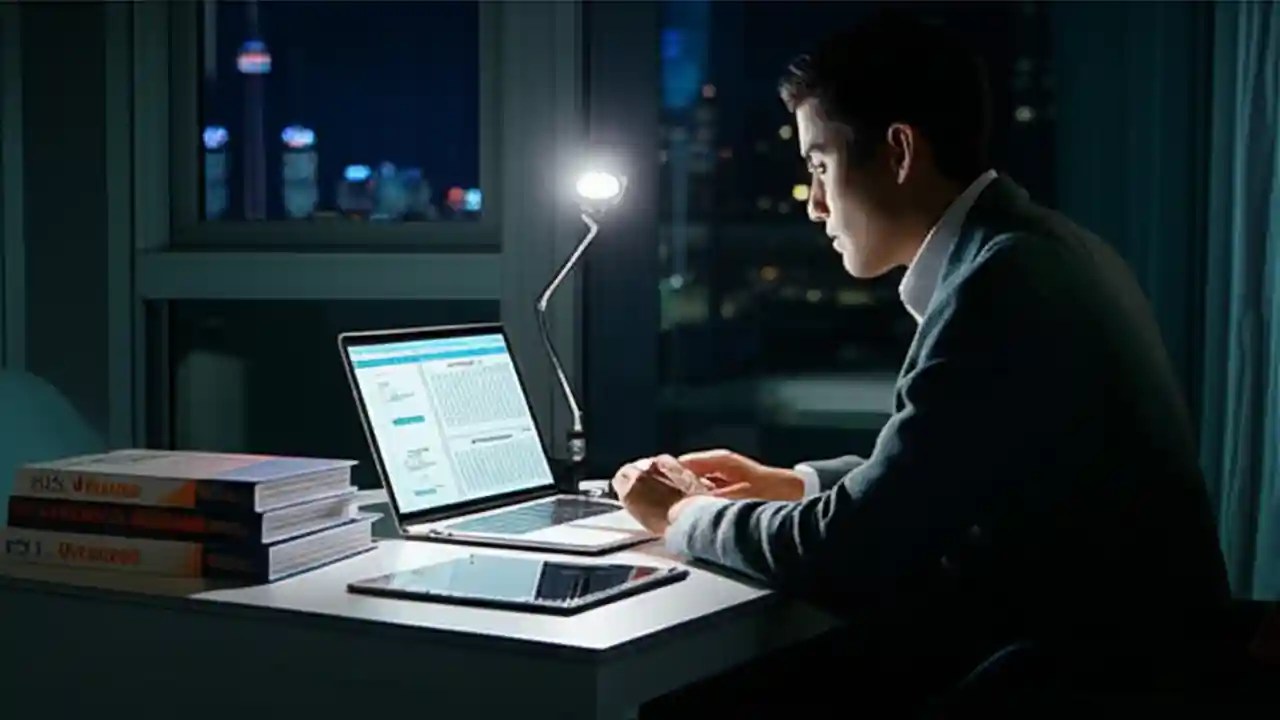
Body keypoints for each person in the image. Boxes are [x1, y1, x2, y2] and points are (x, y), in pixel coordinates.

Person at [618, 10, 1231, 712]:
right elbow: (942, 475)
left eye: (820, 165)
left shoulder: (1002, 286)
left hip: (1087, 676)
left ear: (900, 151)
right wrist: (791, 483)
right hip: (1120, 657)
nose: (814, 205)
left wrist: (684, 515)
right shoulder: (1039, 249)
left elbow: (856, 552)